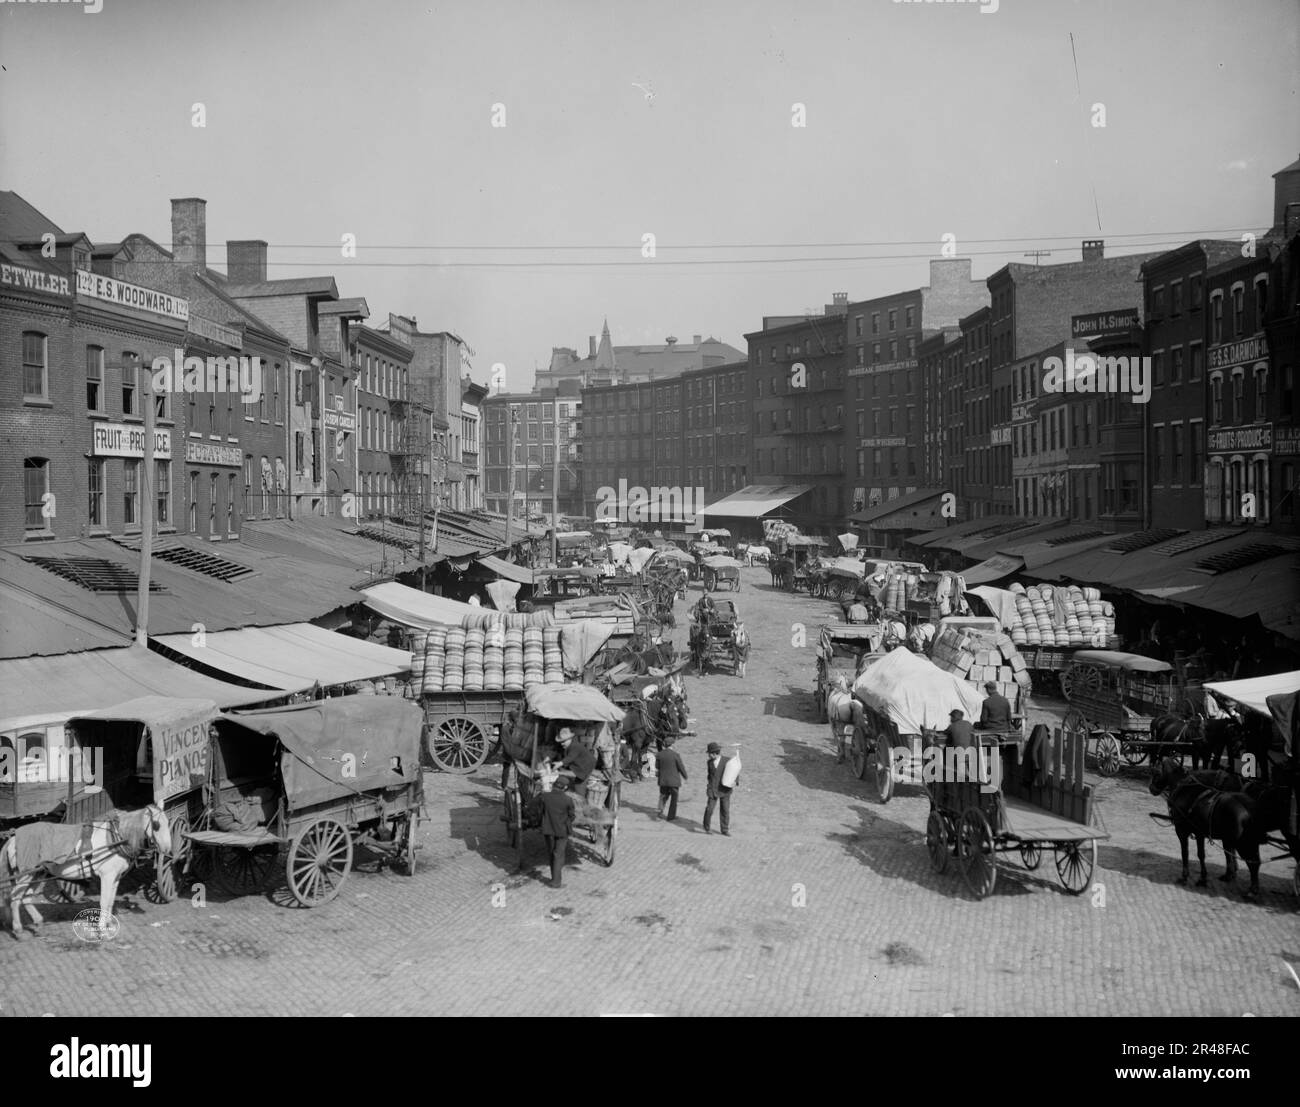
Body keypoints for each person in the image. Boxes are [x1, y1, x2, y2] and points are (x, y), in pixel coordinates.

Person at [539, 778, 575, 889]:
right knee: (558, 855)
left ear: (554, 785)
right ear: (564, 788)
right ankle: (556, 882)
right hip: (562, 831)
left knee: (551, 853)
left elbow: (540, 811)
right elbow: (572, 816)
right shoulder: (568, 800)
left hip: (548, 830)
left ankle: (554, 879)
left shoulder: (545, 797)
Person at [703, 742, 737, 836]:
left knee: (725, 810)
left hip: (725, 790)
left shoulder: (727, 761)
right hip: (713, 790)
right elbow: (709, 775)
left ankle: (724, 829)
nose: (708, 755)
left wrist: (735, 782)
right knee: (709, 809)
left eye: (709, 753)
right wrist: (709, 786)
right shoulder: (709, 762)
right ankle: (707, 827)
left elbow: (735, 772)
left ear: (714, 753)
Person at [555, 727, 595, 799]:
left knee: (579, 785)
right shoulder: (570, 746)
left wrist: (560, 763)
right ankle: (577, 797)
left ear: (570, 739)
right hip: (582, 765)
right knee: (576, 781)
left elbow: (570, 757)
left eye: (563, 741)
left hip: (586, 766)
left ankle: (580, 801)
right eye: (561, 742)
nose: (562, 744)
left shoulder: (575, 746)